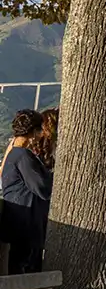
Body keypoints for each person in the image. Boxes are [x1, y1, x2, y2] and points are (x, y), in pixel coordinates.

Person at [0, 110, 52, 273]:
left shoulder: (13, 155)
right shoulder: (23, 156)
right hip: (27, 222)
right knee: (27, 270)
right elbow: (42, 187)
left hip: (17, 220)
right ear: (34, 132)